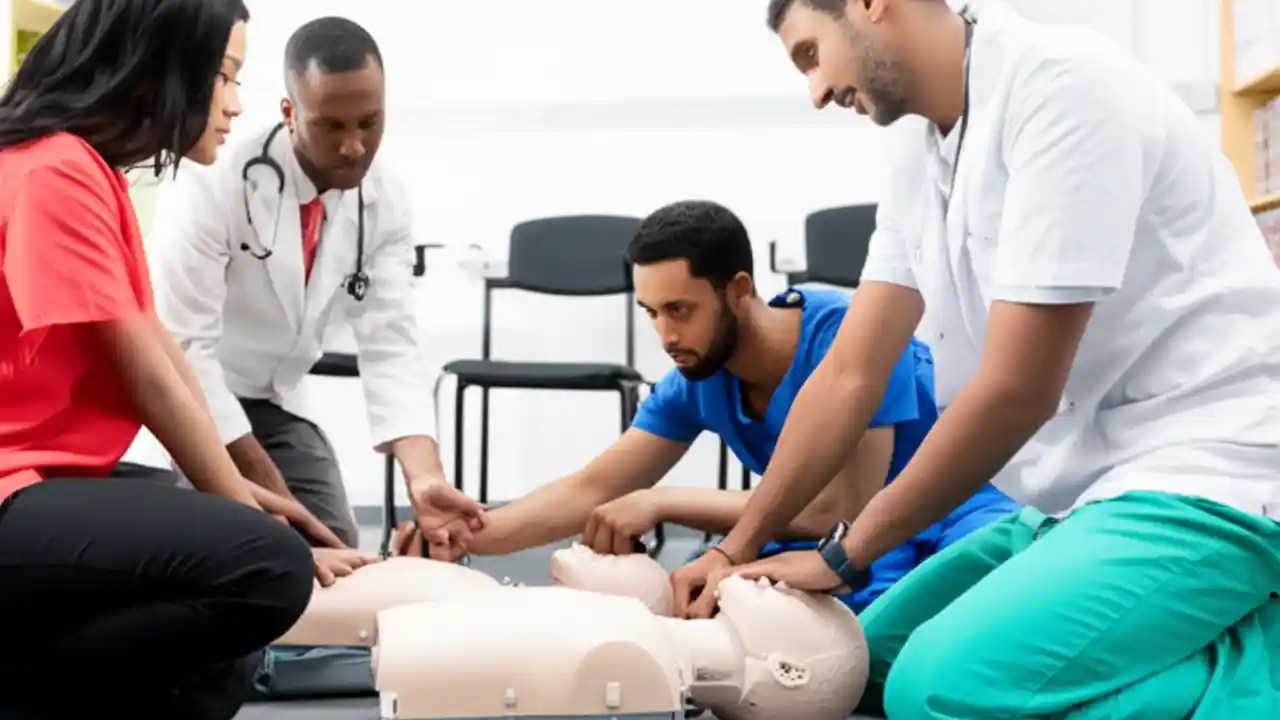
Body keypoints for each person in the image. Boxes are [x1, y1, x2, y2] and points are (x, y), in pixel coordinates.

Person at [672, 1, 1280, 718]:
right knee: (861, 661)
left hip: (1212, 475)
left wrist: (842, 554)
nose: (814, 90)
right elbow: (849, 373)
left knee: (936, 689)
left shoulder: (1065, 91)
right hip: (1084, 495)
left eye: (811, 54)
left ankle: (1254, 674)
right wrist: (733, 551)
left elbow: (1017, 391)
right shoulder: (919, 151)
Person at [419, 199, 1017, 613]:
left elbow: (840, 509)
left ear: (738, 289)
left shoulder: (851, 335)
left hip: (946, 518)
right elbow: (592, 488)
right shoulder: (698, 374)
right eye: (651, 314)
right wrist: (471, 535)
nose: (665, 335)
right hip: (841, 544)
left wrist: (661, 501)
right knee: (705, 604)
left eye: (680, 310)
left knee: (912, 627)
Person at [0, 1, 343, 717]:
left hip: (40, 476)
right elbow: (148, 377)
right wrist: (250, 521)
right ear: (157, 70)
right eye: (223, 76)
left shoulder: (85, 170)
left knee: (237, 581)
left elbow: (160, 348)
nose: (234, 104)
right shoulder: (54, 170)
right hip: (13, 486)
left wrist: (253, 502)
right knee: (266, 571)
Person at [149, 16, 484, 554]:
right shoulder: (214, 186)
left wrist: (425, 476)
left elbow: (390, 341)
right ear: (290, 112)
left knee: (340, 550)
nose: (354, 147)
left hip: (275, 401)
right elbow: (188, 352)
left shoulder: (385, 199)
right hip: (187, 404)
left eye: (370, 123)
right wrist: (278, 500)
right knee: (254, 548)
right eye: (332, 126)